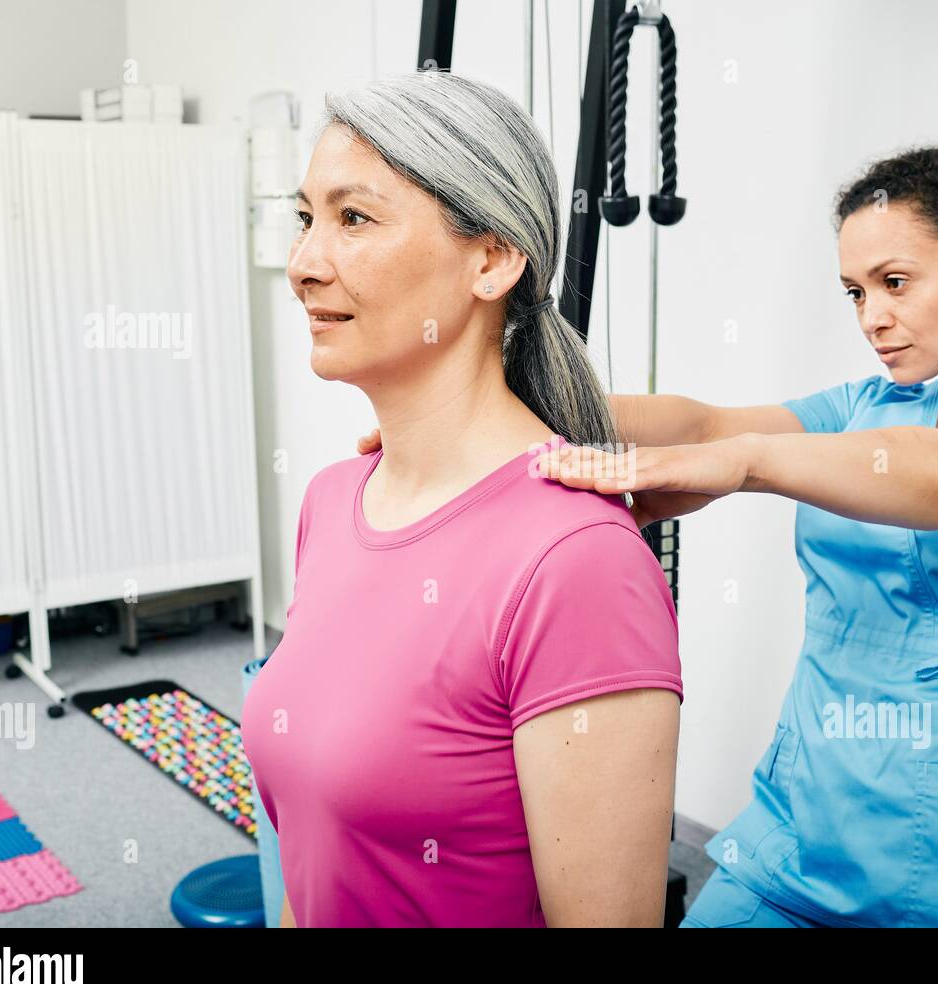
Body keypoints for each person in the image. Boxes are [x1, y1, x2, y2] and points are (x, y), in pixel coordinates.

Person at [522, 145, 938, 927]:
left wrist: (742, 465)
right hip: (803, 833)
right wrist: (510, 398)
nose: (872, 318)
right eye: (855, 292)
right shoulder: (868, 404)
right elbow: (705, 421)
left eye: (894, 282)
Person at [240, 71, 683, 929]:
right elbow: (313, 853)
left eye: (353, 218)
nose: (302, 265)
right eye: (305, 219)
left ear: (491, 259)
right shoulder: (333, 502)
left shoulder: (577, 561)